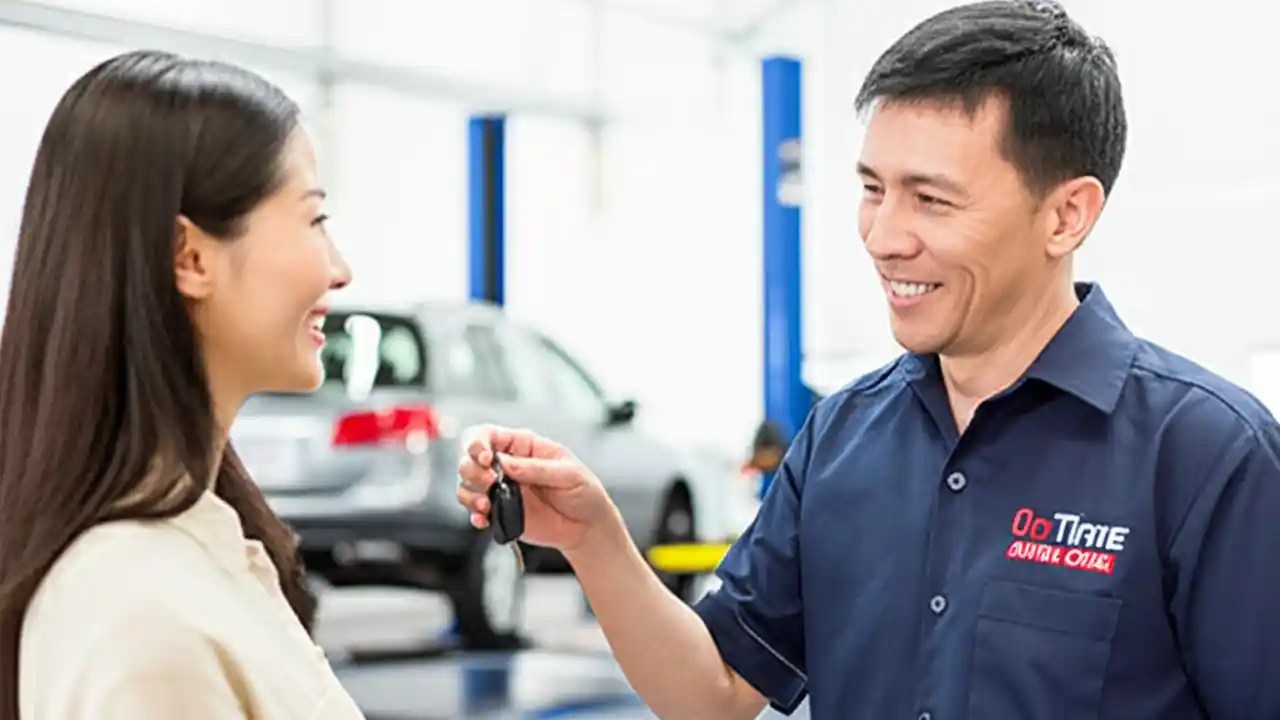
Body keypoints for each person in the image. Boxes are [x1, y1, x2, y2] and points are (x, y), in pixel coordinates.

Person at [457, 2, 1280, 718]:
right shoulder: (842, 438)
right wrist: (596, 541)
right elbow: (712, 693)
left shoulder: (1205, 457)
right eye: (872, 189)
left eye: (932, 199)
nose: (884, 237)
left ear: (1067, 215)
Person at [0, 50, 365, 719]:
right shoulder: (141, 620)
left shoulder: (193, 550)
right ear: (189, 257)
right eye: (314, 220)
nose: (339, 270)